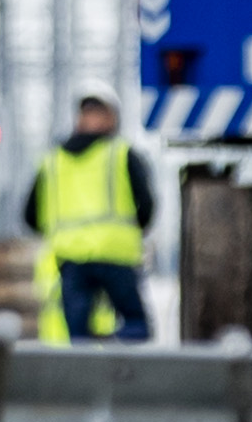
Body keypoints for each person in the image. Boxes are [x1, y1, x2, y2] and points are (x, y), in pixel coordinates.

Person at [26, 89, 156, 341]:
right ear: (112, 118)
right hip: (116, 254)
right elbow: (147, 205)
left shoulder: (52, 161)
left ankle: (86, 369)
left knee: (77, 333)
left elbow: (30, 216)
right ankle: (116, 357)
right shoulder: (121, 153)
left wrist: (61, 233)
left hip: (71, 257)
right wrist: (130, 231)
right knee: (136, 325)